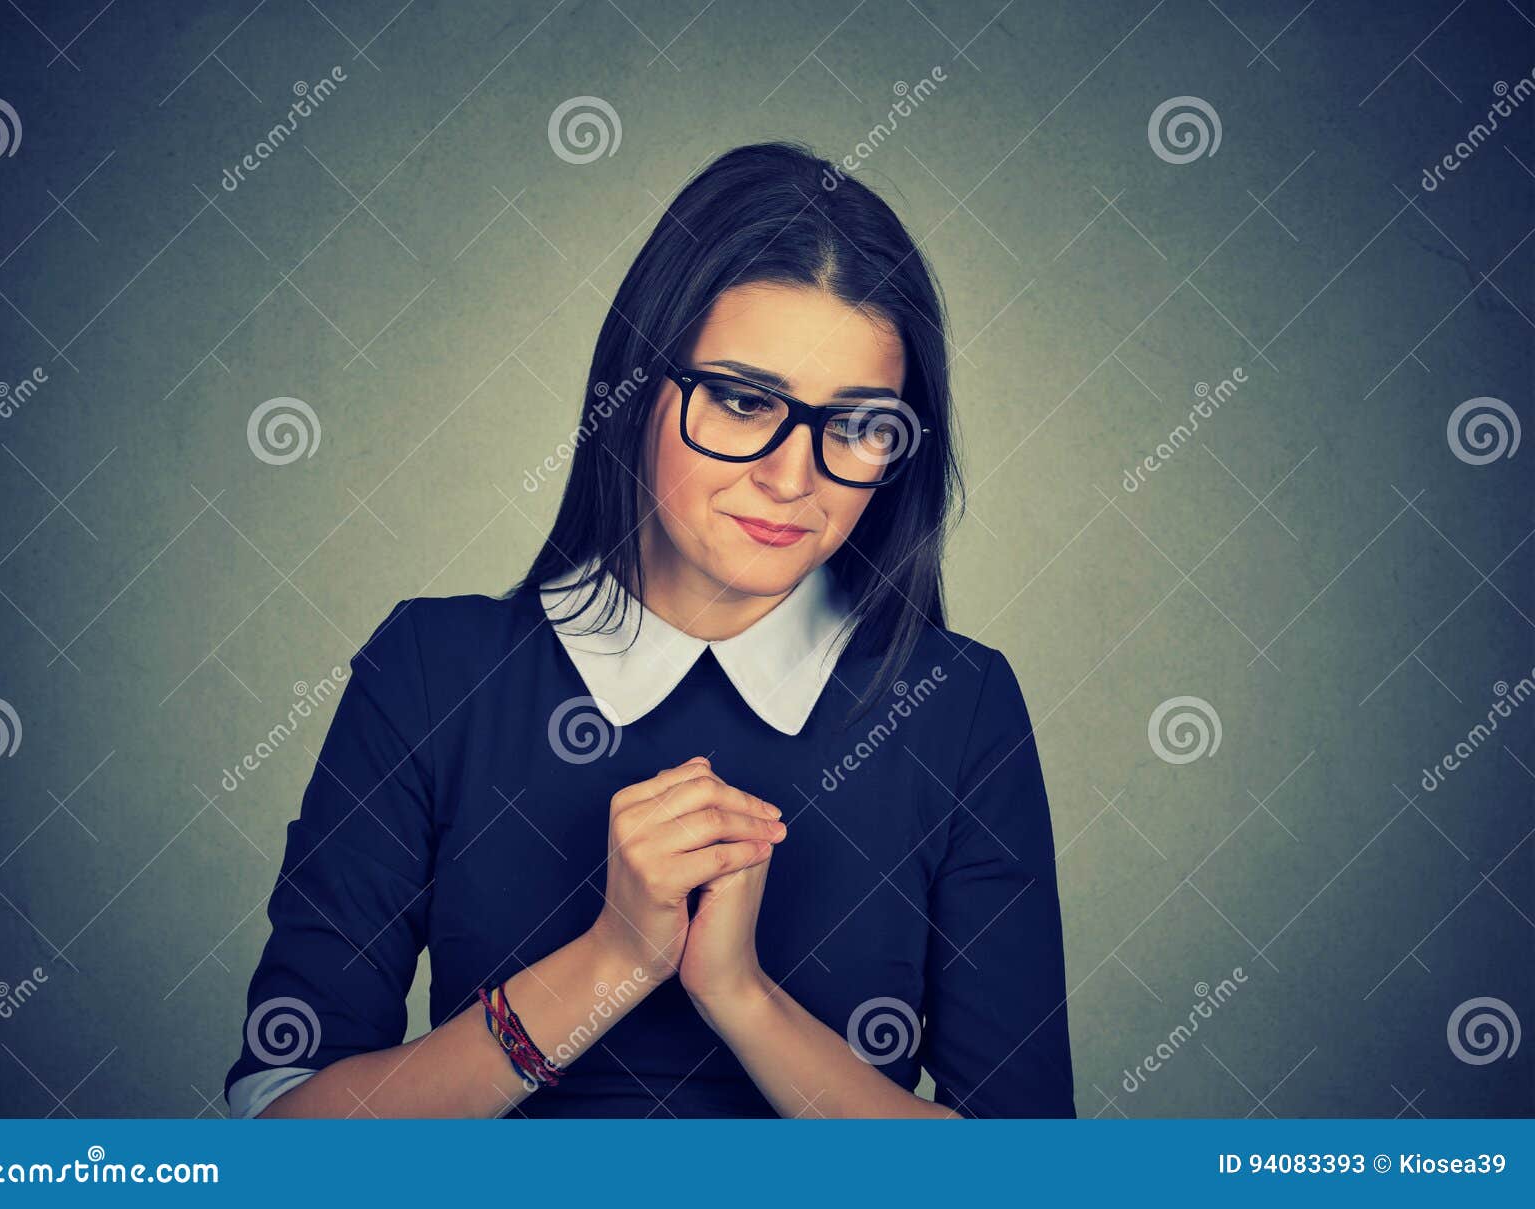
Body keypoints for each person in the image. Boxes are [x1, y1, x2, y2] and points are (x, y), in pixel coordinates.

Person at [223, 140, 1074, 1118]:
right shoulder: (431, 670)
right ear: (633, 391)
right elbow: (278, 1139)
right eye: (744, 400)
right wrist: (612, 961)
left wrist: (740, 998)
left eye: (859, 424)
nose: (792, 479)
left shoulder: (955, 707)